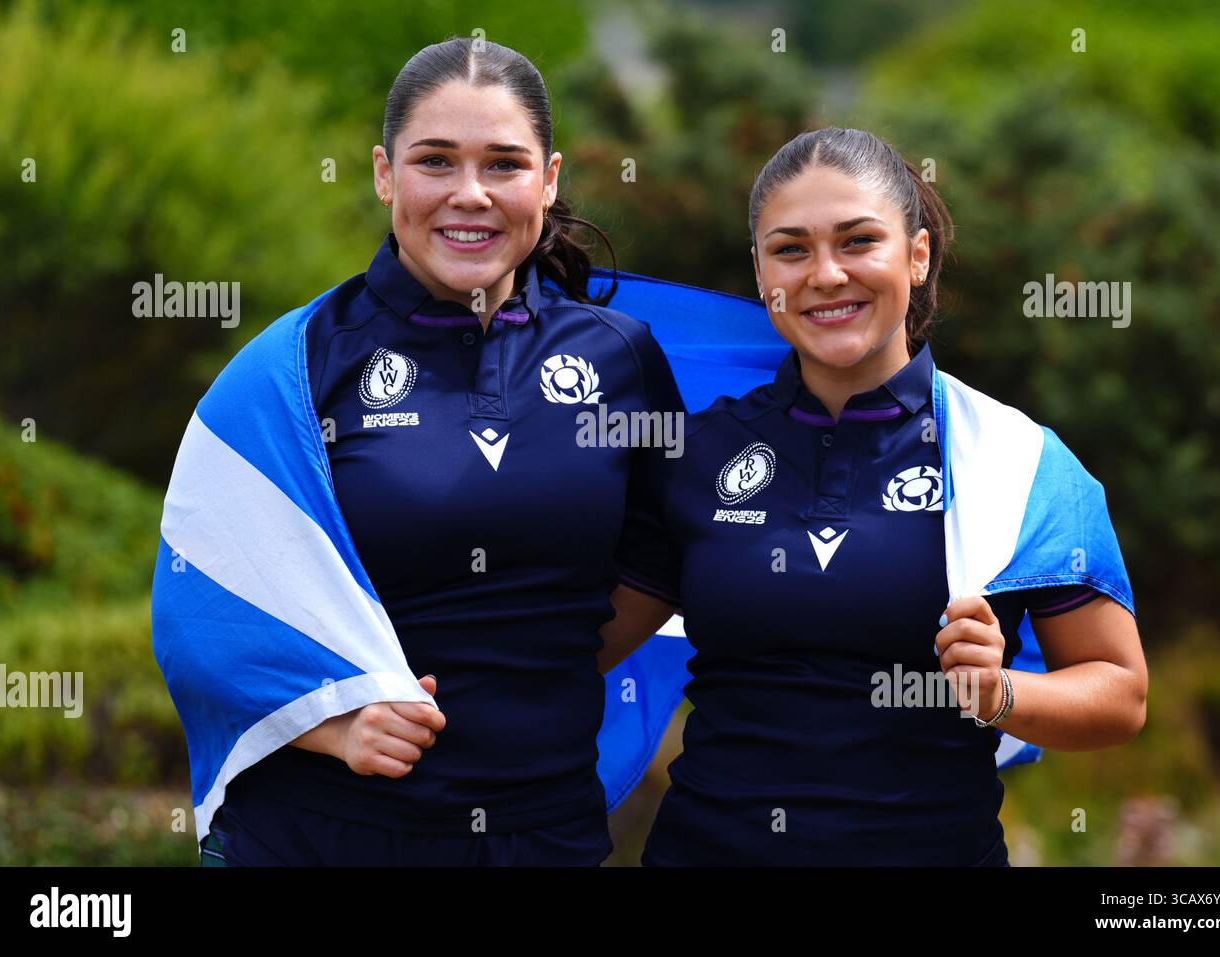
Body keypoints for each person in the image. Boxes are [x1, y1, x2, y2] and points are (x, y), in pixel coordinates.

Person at [193, 36, 685, 866]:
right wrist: (330, 718)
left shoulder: (623, 358)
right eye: (435, 162)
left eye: (503, 165)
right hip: (313, 836)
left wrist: (536, 666)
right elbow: (199, 595)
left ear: (550, 178)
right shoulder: (295, 363)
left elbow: (661, 558)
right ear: (385, 174)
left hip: (544, 832)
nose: (470, 195)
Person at [605, 127, 1149, 866]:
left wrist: (1000, 694)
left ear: (916, 256)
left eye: (858, 241)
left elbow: (1120, 693)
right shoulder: (696, 453)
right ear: (761, 271)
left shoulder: (1016, 459)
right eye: (791, 249)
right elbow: (583, 643)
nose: (826, 274)